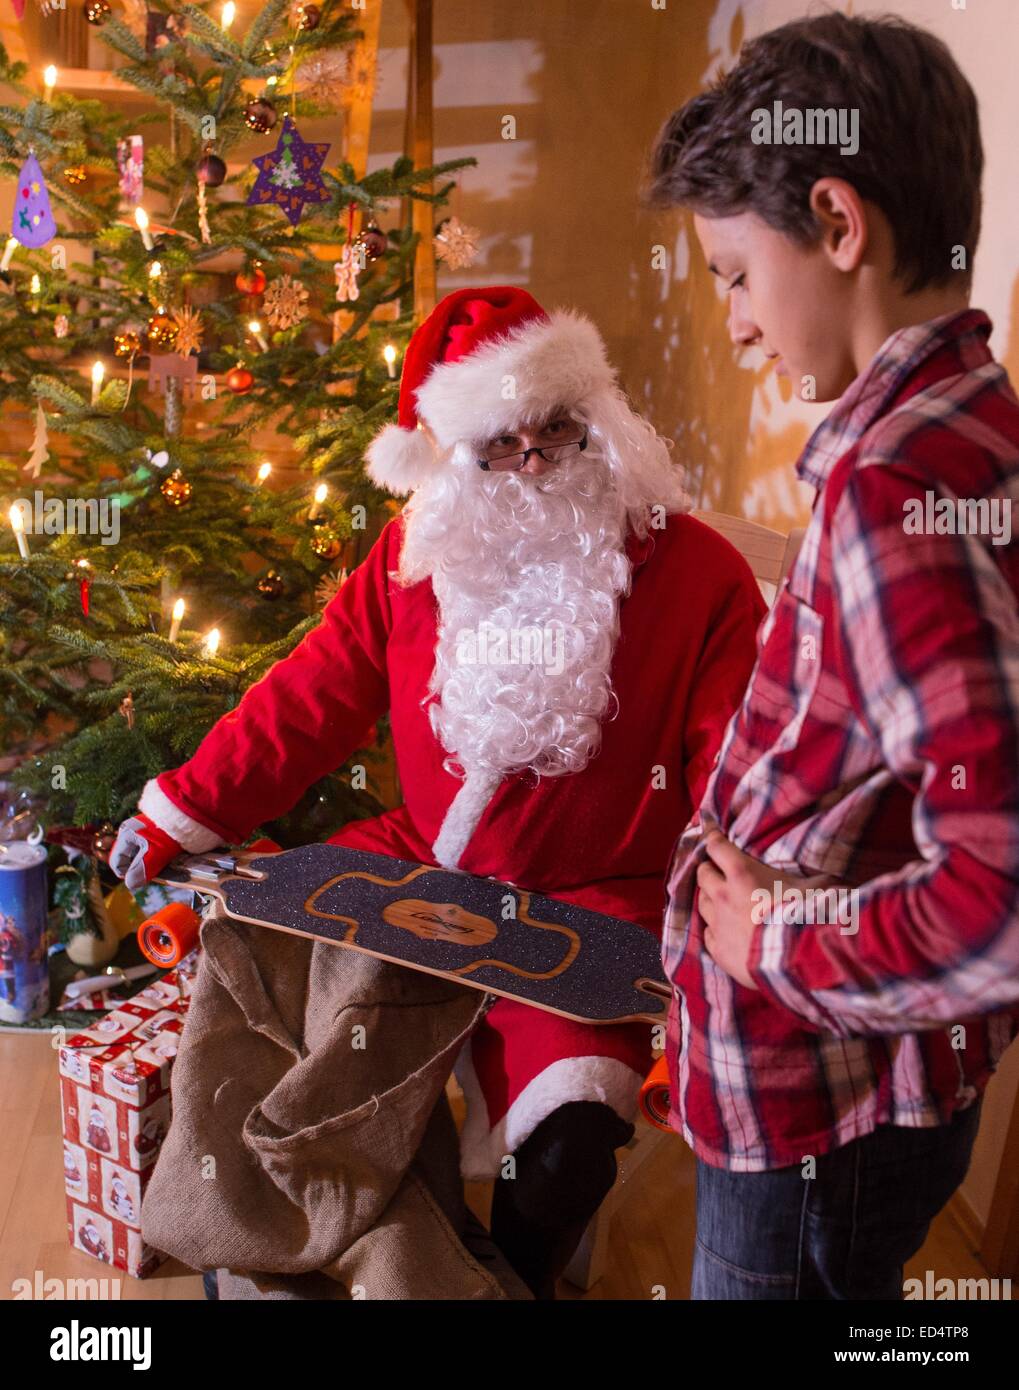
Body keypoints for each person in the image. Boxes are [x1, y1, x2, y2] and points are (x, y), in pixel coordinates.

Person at [111, 285, 765, 1298]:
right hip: (422, 855)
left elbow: (738, 775)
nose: (538, 459)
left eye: (559, 426)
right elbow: (307, 702)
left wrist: (738, 919)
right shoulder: (415, 560)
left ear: (598, 415)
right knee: (253, 947)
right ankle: (287, 1221)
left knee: (573, 1117)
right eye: (503, 444)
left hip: (594, 897)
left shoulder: (699, 574)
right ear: (455, 458)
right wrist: (180, 808)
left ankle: (504, 1276)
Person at [646, 12, 1019, 1299]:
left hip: (821, 1112)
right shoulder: (970, 428)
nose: (737, 325)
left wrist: (777, 942)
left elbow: (999, 892)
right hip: (867, 1092)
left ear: (838, 222)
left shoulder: (893, 489)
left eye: (736, 275)